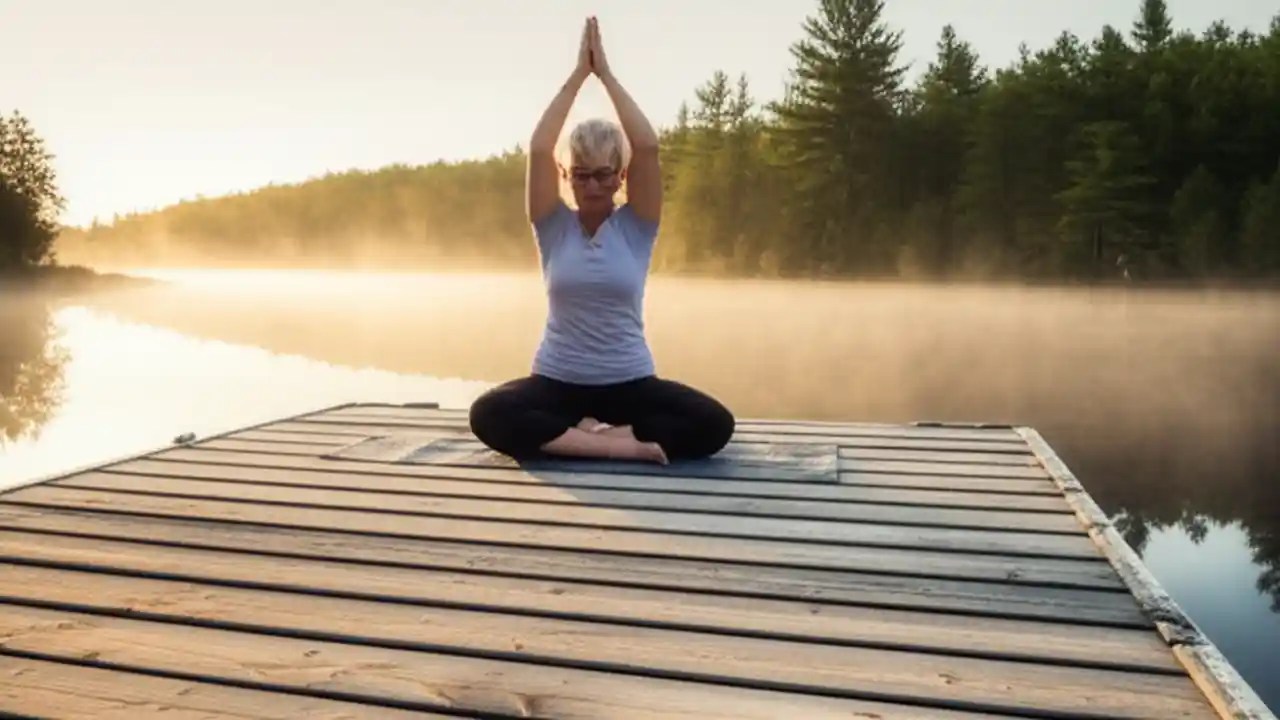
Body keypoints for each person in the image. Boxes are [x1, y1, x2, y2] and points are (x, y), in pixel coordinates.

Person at [468, 16, 735, 466]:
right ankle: (619, 445)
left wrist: (605, 75)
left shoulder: (637, 225)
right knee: (489, 413)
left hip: (628, 382)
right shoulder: (550, 224)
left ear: (620, 177)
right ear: (567, 177)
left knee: (715, 424)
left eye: (604, 173)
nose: (593, 184)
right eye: (582, 173)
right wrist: (577, 76)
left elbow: (646, 145)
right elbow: (538, 148)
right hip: (557, 381)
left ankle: (574, 439)